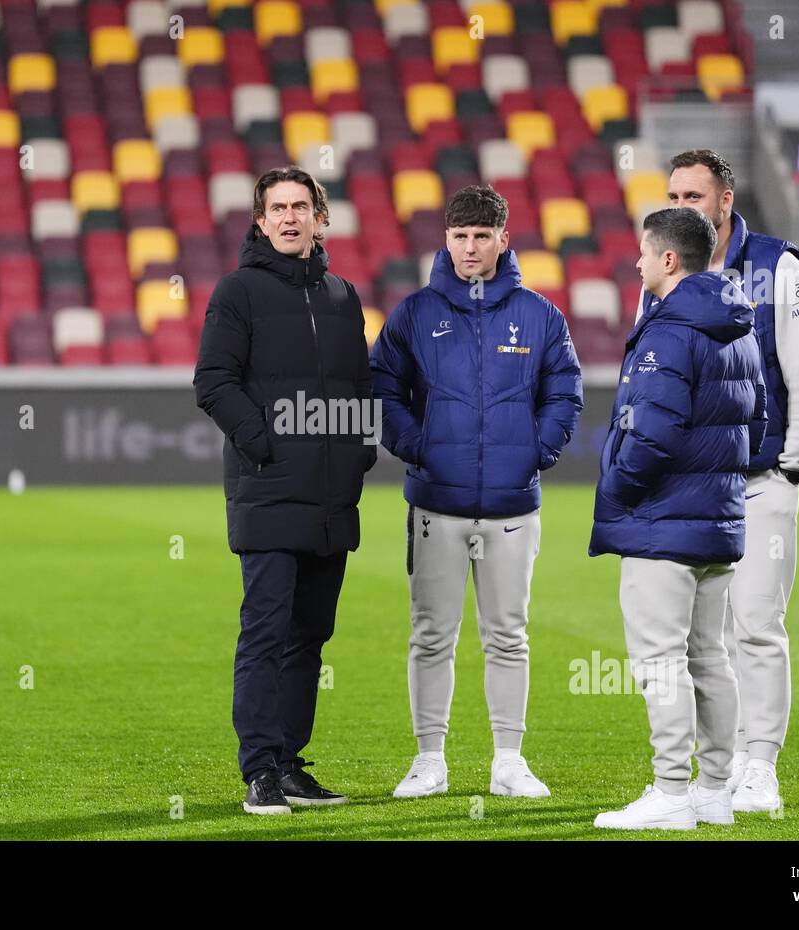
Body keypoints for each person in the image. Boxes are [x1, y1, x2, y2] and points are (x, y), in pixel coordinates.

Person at [370, 186, 582, 800]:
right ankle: (428, 760)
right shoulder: (414, 313)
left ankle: (508, 760)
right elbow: (382, 387)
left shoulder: (541, 316)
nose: (470, 247)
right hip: (436, 502)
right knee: (431, 633)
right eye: (460, 236)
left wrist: (536, 452)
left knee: (508, 634)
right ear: (446, 240)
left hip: (513, 508)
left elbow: (564, 391)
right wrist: (417, 445)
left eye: (481, 236)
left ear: (502, 240)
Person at [194, 166, 376, 815]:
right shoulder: (238, 292)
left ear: (320, 217)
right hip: (269, 493)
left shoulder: (341, 296)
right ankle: (260, 771)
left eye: (302, 205)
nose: (292, 217)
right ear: (262, 220)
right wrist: (266, 447)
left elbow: (360, 387)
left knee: (309, 637)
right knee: (265, 634)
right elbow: (213, 381)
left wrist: (359, 454)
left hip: (331, 502)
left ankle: (292, 765)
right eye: (279, 208)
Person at [662, 150, 799, 812]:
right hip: (694, 484)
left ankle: (760, 765)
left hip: (762, 478)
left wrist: (794, 466)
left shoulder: (776, 269)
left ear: (725, 201)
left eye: (694, 197)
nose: (681, 209)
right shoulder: (669, 270)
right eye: (673, 196)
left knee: (757, 623)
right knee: (702, 635)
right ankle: (722, 763)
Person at [590, 207, 766, 830]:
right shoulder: (738, 324)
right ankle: (716, 790)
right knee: (710, 657)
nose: (636, 263)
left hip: (662, 521)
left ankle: (671, 790)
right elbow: (759, 423)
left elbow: (652, 432)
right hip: (718, 520)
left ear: (668, 259)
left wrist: (618, 486)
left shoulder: (668, 330)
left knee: (661, 659)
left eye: (644, 253)